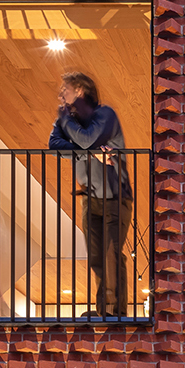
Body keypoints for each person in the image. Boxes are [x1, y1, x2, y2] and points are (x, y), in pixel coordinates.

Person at [47, 71, 131, 317]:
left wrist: (67, 123)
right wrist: (90, 153)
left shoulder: (105, 115)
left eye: (66, 88)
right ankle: (105, 309)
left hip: (115, 197)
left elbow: (88, 138)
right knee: (96, 257)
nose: (60, 93)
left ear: (81, 90)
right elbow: (54, 147)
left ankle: (115, 311)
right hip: (89, 197)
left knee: (111, 253)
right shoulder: (67, 121)